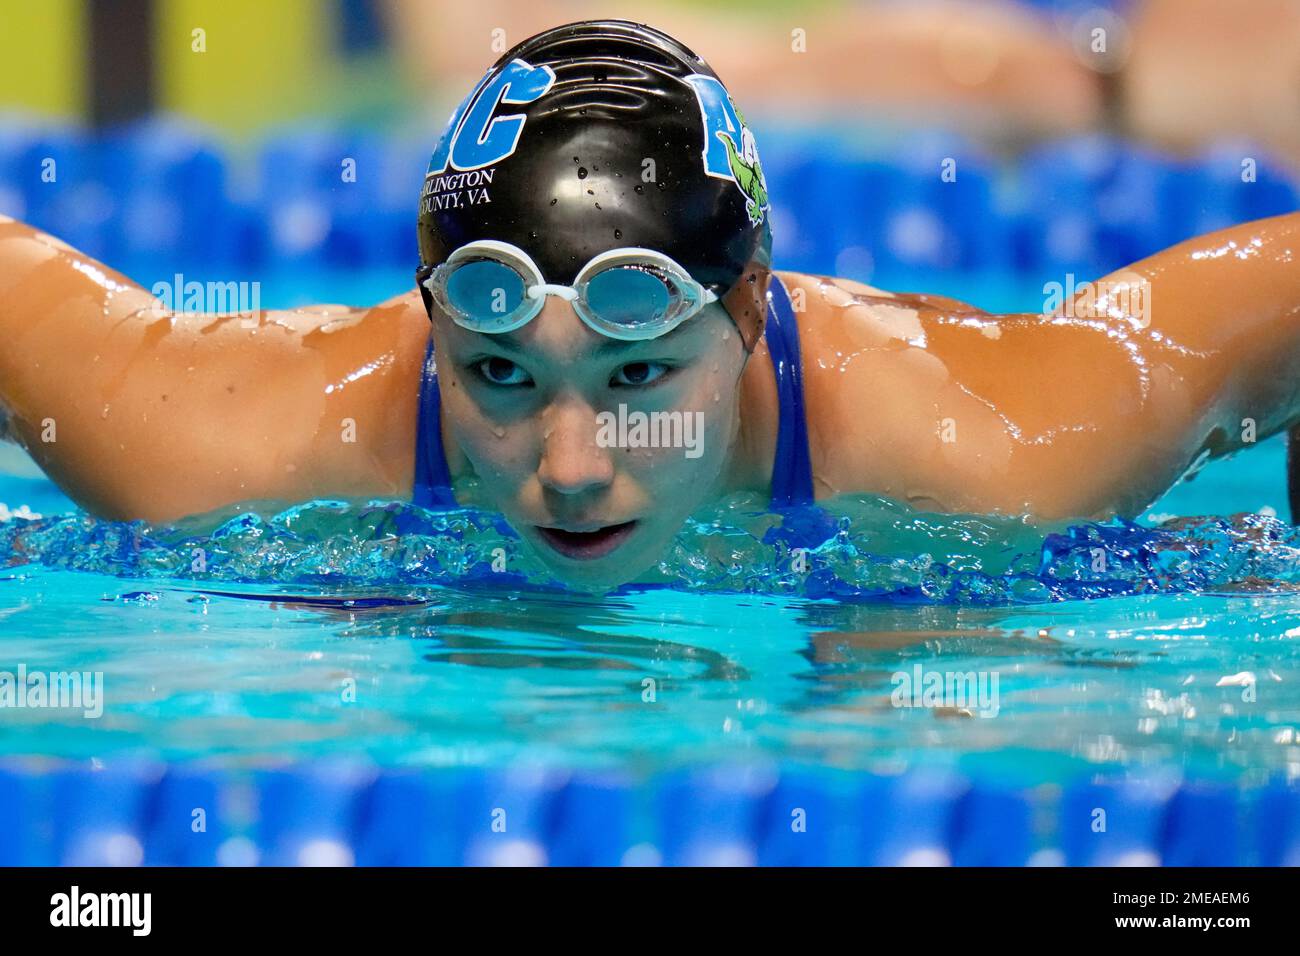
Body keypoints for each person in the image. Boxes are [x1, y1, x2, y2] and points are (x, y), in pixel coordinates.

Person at [1, 19, 1299, 592]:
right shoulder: (217, 438)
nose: (568, 470)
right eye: (500, 376)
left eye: (634, 382)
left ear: (744, 314)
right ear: (435, 332)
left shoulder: (991, 445)